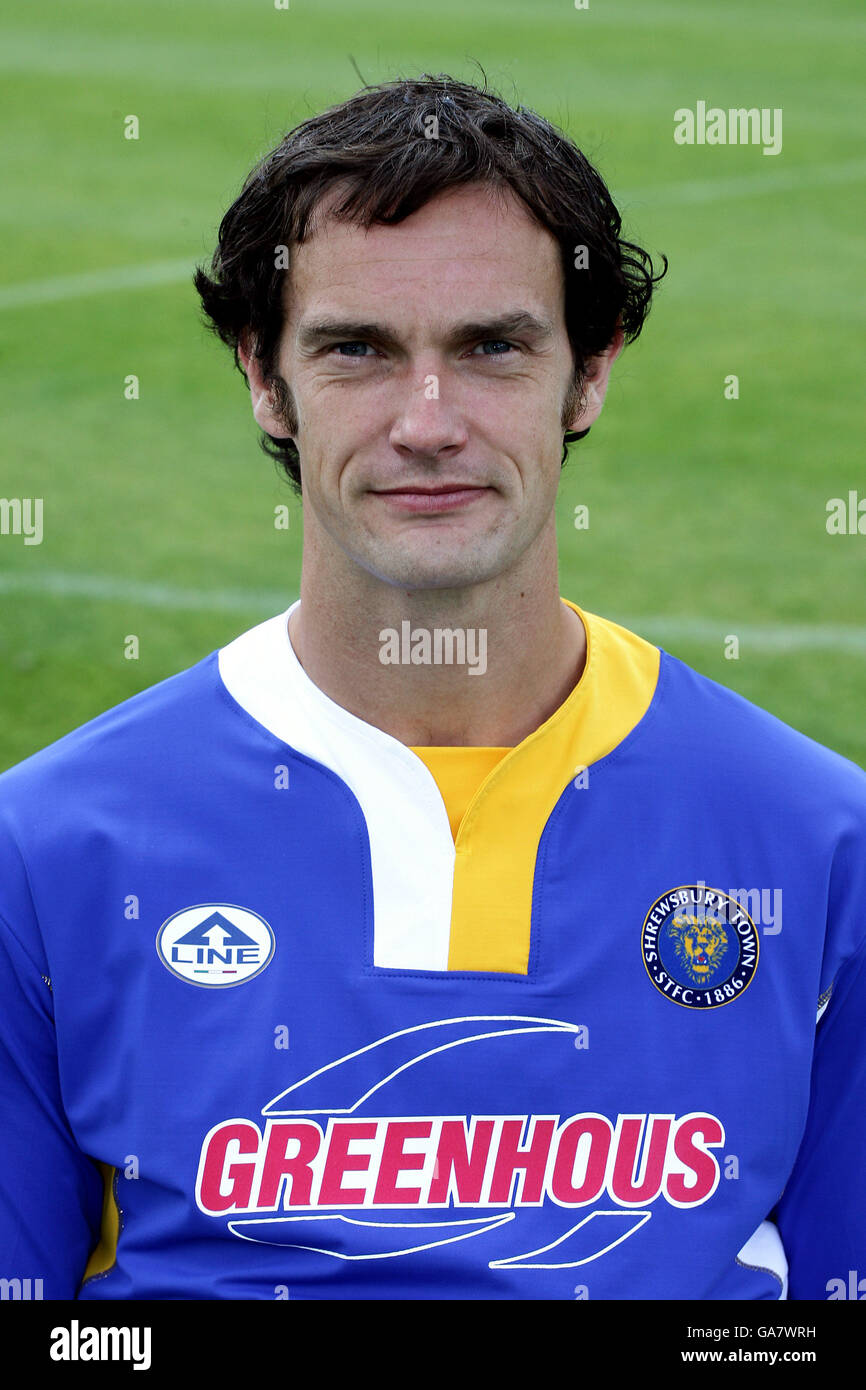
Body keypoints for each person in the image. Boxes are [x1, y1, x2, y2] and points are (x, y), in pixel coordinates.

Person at [0, 74, 863, 1302]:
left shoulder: (818, 845)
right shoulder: (44, 851)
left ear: (589, 373)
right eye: (355, 348)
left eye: (491, 347)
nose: (427, 421)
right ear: (262, 374)